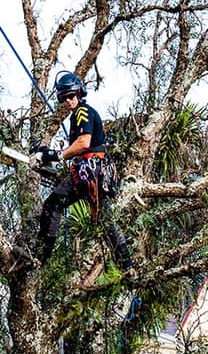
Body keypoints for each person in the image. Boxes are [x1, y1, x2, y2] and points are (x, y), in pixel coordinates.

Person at [26, 71, 134, 275]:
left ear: (79, 93)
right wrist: (48, 157)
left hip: (90, 171)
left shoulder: (82, 112)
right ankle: (127, 266)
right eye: (64, 97)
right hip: (93, 173)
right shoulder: (80, 115)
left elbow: (83, 144)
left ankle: (40, 254)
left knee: (53, 203)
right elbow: (77, 149)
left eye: (71, 95)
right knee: (105, 219)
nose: (68, 100)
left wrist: (54, 155)